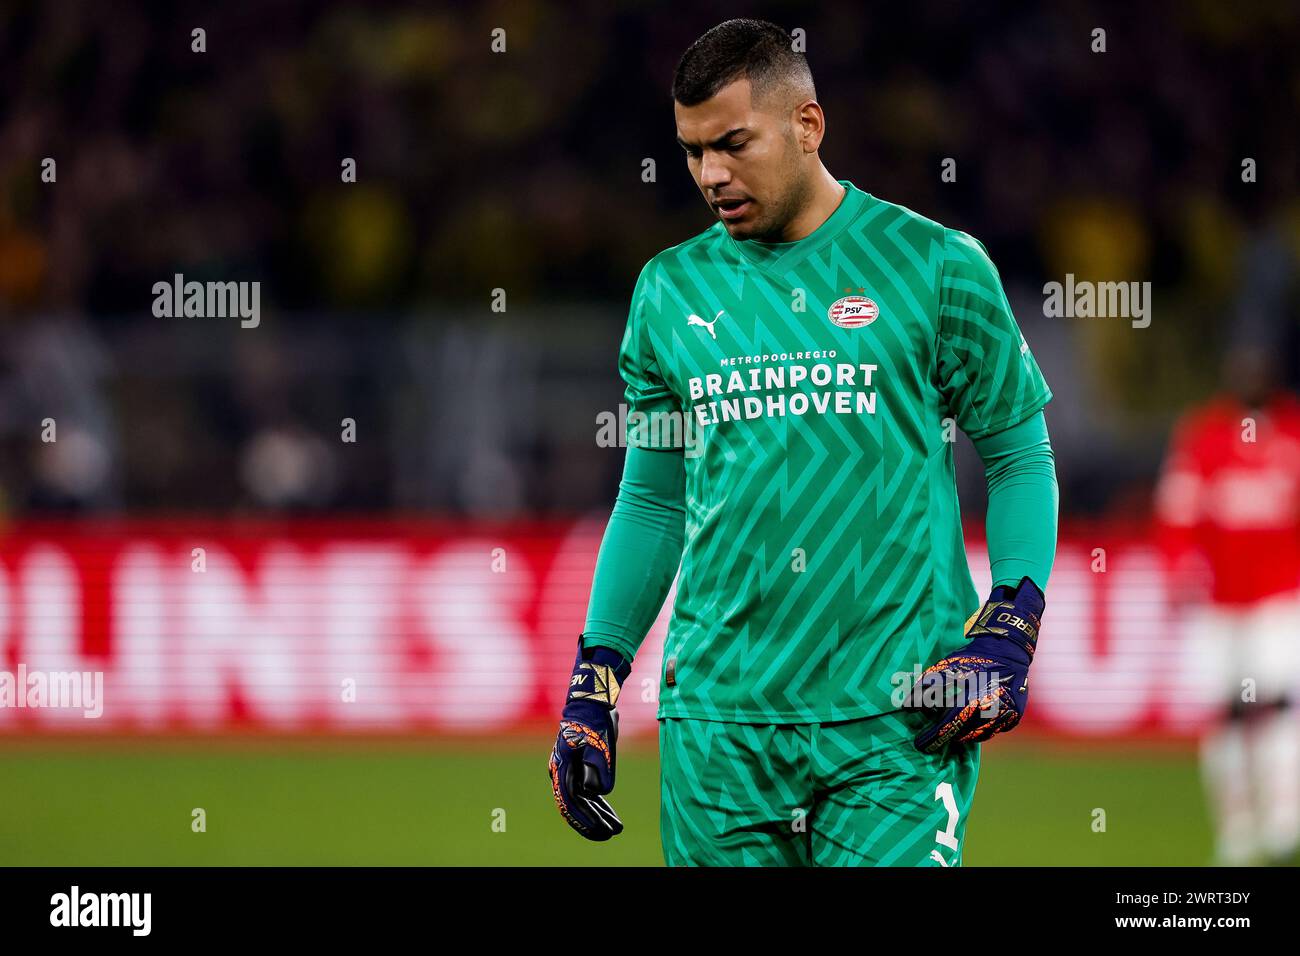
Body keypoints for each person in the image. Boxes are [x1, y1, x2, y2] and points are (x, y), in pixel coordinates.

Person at [549, 18, 1058, 866]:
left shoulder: (935, 266)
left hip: (897, 723)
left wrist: (1012, 622)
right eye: (692, 151)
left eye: (734, 144)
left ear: (807, 126)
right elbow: (652, 500)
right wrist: (596, 676)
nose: (712, 174)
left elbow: (1018, 458)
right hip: (717, 724)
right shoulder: (669, 291)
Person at [1156, 343, 1300, 866]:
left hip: (1280, 596)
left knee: (1278, 702)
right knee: (1228, 714)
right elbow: (1178, 508)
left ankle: (1283, 817)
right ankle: (1237, 828)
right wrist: (1177, 569)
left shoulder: (1292, 433)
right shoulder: (1206, 435)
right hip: (1220, 600)